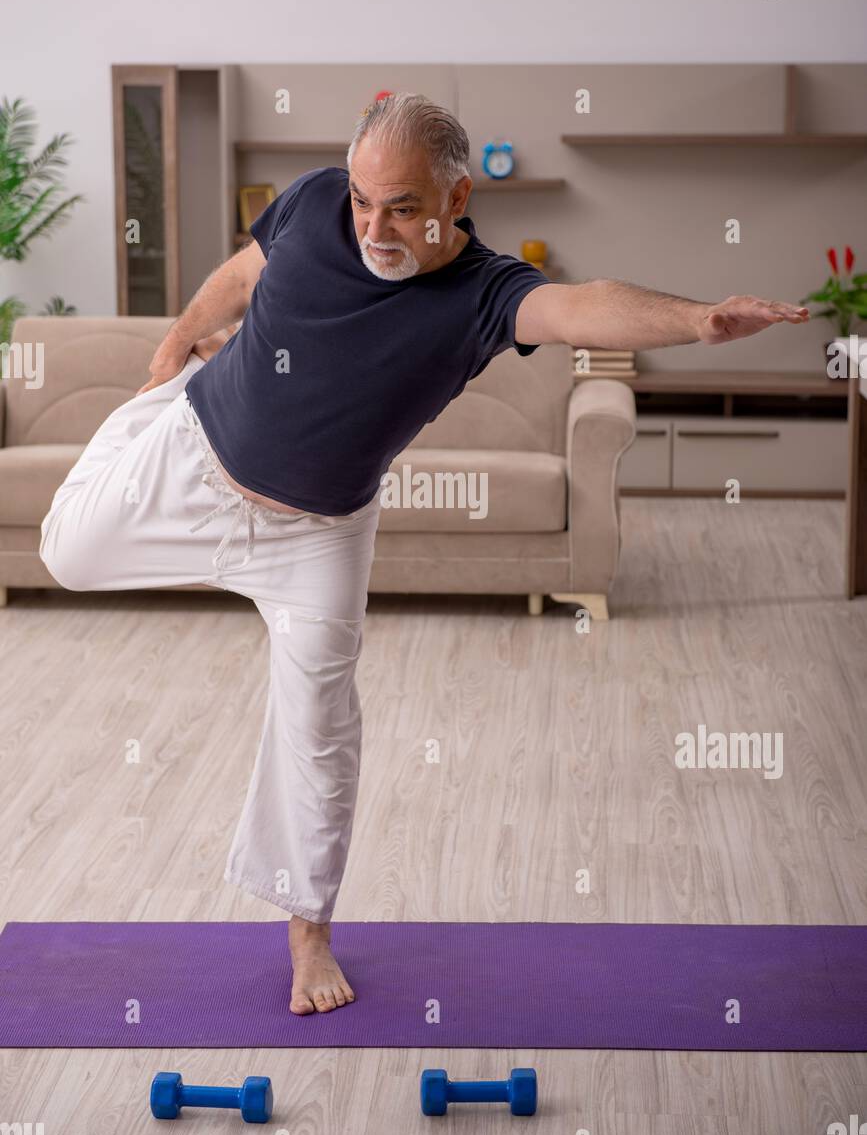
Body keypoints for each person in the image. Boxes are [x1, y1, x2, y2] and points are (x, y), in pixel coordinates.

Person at [38, 92, 808, 1015]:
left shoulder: (483, 295)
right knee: (66, 557)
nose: (372, 224)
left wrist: (698, 322)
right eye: (364, 201)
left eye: (401, 205)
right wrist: (173, 344)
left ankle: (307, 936)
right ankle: (181, 388)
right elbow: (239, 277)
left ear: (455, 193)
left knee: (320, 730)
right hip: (198, 453)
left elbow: (582, 306)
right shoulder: (317, 199)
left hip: (317, 532)